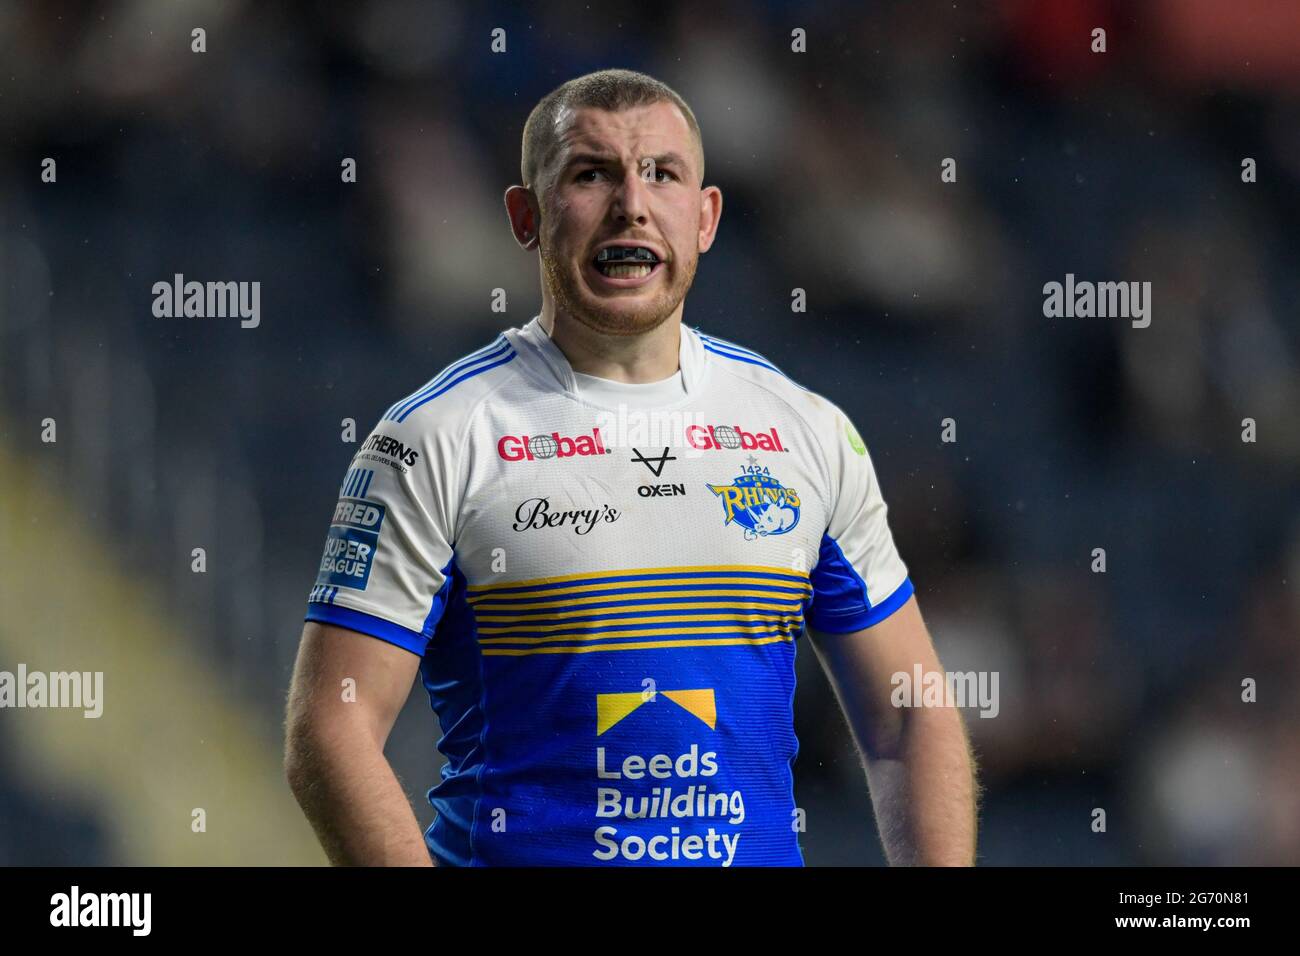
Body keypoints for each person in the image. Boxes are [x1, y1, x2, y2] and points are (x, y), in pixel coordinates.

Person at [284, 68, 977, 866]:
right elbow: (330, 732)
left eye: (662, 174)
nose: (632, 205)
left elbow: (910, 714)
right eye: (591, 174)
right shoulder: (434, 440)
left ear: (706, 217)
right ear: (525, 215)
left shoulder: (805, 432)